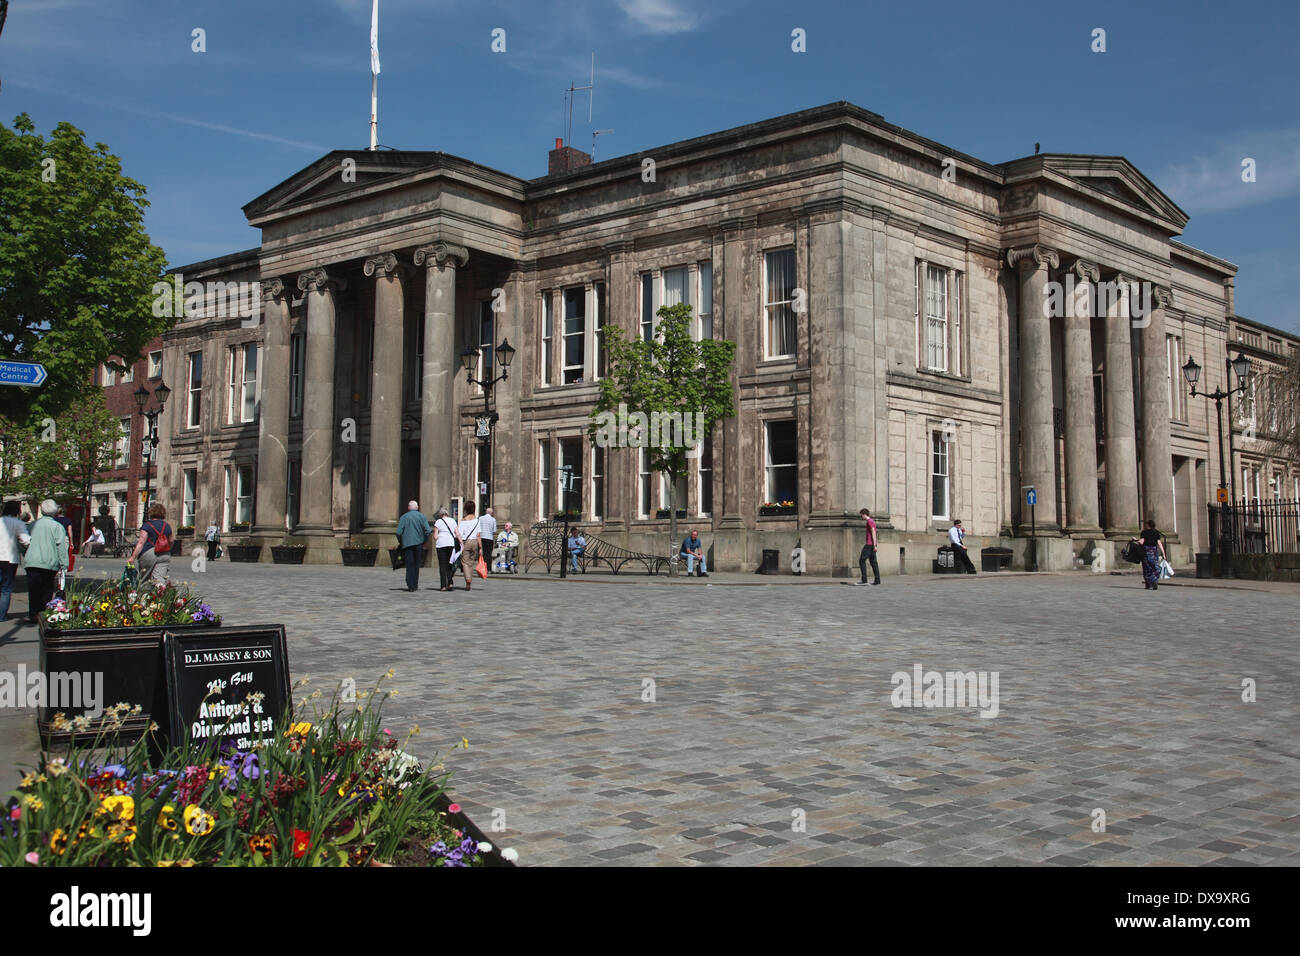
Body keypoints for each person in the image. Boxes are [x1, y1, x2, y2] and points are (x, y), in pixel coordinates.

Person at [23, 500, 67, 623]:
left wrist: (25, 553)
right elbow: (61, 547)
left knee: (33, 590)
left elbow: (23, 541)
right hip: (50, 562)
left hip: (32, 561)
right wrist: (64, 564)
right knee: (47, 589)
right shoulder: (57, 527)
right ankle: (44, 613)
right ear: (55, 512)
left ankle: (33, 614)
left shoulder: (32, 525)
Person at [1, 500, 32, 623]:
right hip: (10, 558)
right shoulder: (18, 523)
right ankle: (1, 615)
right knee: (6, 588)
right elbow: (26, 540)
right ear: (17, 511)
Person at [129, 503, 173, 587]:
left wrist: (133, 557)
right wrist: (167, 550)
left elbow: (141, 542)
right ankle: (160, 596)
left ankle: (145, 597)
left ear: (151, 512)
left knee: (145, 580)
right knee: (160, 580)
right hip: (164, 554)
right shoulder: (167, 526)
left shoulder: (147, 525)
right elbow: (171, 541)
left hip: (149, 553)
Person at [395, 501, 432, 592]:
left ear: (408, 507)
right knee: (416, 564)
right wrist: (424, 540)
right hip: (418, 543)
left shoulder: (404, 517)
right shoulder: (422, 516)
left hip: (407, 544)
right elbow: (428, 530)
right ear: (417, 507)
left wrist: (401, 540)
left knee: (409, 564)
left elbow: (398, 532)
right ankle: (415, 584)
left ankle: (410, 584)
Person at [1133, 519, 1167, 591]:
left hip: (1146, 552)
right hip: (1154, 552)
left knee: (1146, 568)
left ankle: (1148, 584)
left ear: (1148, 525)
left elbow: (1141, 542)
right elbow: (1159, 544)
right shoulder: (1156, 533)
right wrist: (1163, 554)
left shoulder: (1144, 532)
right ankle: (1154, 581)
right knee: (1155, 567)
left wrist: (1135, 540)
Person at [432, 507, 460, 592]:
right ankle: (450, 583)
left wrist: (439, 537)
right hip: (450, 544)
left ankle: (443, 586)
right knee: (450, 564)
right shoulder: (452, 521)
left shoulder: (438, 522)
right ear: (447, 513)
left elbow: (435, 536)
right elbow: (457, 533)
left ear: (441, 514)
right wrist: (461, 543)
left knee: (442, 565)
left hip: (441, 545)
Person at [456, 501, 482, 591]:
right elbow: (478, 535)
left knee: (465, 563)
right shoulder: (477, 520)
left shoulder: (463, 521)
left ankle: (468, 580)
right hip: (474, 542)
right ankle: (469, 580)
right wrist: (481, 547)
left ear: (465, 509)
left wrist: (461, 544)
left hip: (466, 542)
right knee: (471, 563)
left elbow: (459, 534)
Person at [855, 508, 881, 585]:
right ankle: (877, 581)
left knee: (861, 560)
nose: (861, 517)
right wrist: (875, 545)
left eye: (861, 515)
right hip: (872, 545)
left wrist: (874, 545)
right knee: (873, 562)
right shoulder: (871, 521)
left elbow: (873, 533)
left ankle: (864, 580)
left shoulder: (870, 522)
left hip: (869, 545)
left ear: (864, 514)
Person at [54, 506, 75, 574]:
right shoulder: (67, 520)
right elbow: (69, 532)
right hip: (64, 537)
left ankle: (55, 568)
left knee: (55, 553)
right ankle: (62, 568)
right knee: (64, 553)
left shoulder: (54, 519)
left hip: (55, 537)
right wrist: (71, 542)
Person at [480, 507, 498, 573]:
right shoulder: (493, 520)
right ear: (491, 513)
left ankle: (482, 567)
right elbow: (494, 530)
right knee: (489, 553)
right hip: (489, 538)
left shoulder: (480, 518)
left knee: (483, 553)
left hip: (482, 537)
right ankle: (488, 568)